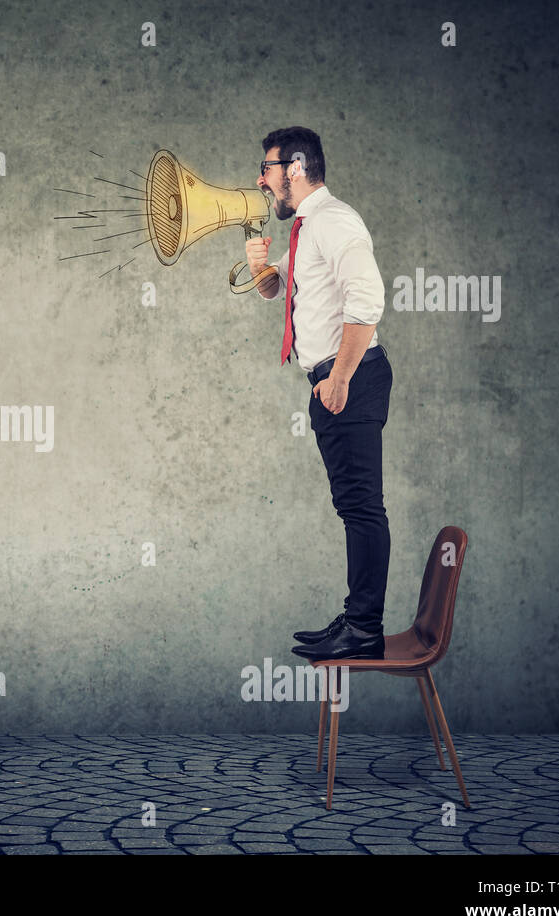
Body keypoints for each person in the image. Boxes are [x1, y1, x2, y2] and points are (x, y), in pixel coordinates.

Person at [244, 127, 391, 661]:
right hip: (335, 378)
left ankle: (366, 630)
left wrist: (342, 378)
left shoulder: (334, 222)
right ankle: (357, 619)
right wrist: (259, 262)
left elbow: (368, 301)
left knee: (363, 507)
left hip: (351, 375)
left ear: (296, 167)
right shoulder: (305, 230)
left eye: (268, 167)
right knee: (353, 507)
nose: (261, 179)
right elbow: (274, 288)